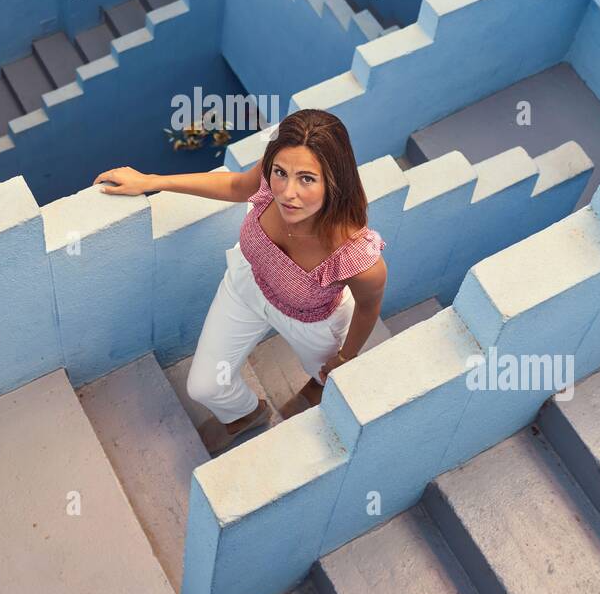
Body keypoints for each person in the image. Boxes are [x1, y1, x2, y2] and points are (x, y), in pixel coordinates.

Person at [93, 108, 387, 445]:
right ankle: (246, 414)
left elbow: (368, 308)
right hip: (248, 286)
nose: (287, 193)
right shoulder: (271, 176)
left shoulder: (356, 257)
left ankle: (315, 386)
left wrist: (346, 356)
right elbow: (235, 184)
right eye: (281, 173)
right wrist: (152, 181)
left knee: (329, 377)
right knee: (204, 386)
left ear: (334, 181)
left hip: (313, 319)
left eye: (307, 178)